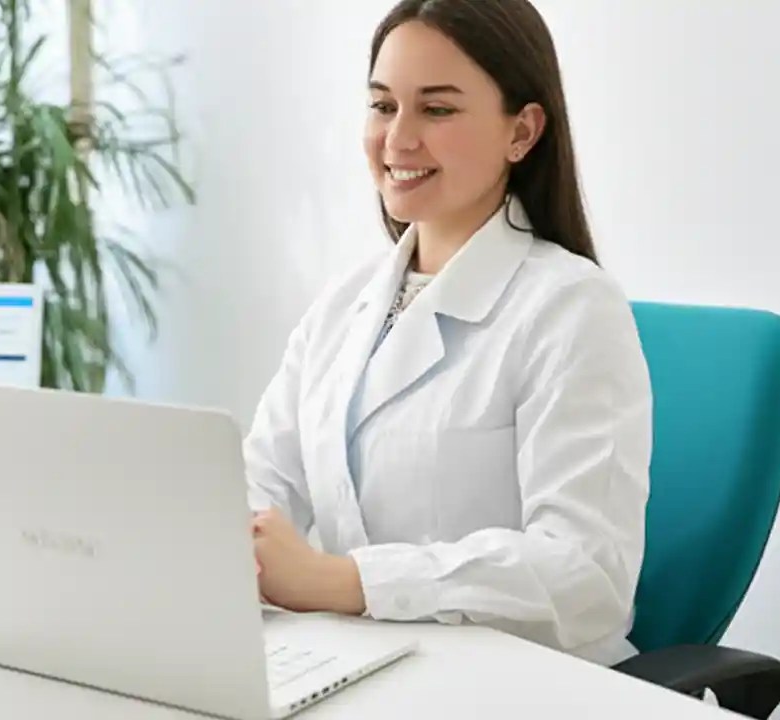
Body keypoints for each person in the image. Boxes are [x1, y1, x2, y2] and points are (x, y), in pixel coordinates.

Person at [244, 0, 652, 667]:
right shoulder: (343, 305)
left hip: (522, 680)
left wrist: (346, 582)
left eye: (436, 109)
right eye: (383, 106)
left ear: (522, 131)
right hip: (366, 662)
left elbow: (587, 574)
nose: (398, 139)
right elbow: (259, 484)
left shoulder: (573, 308)